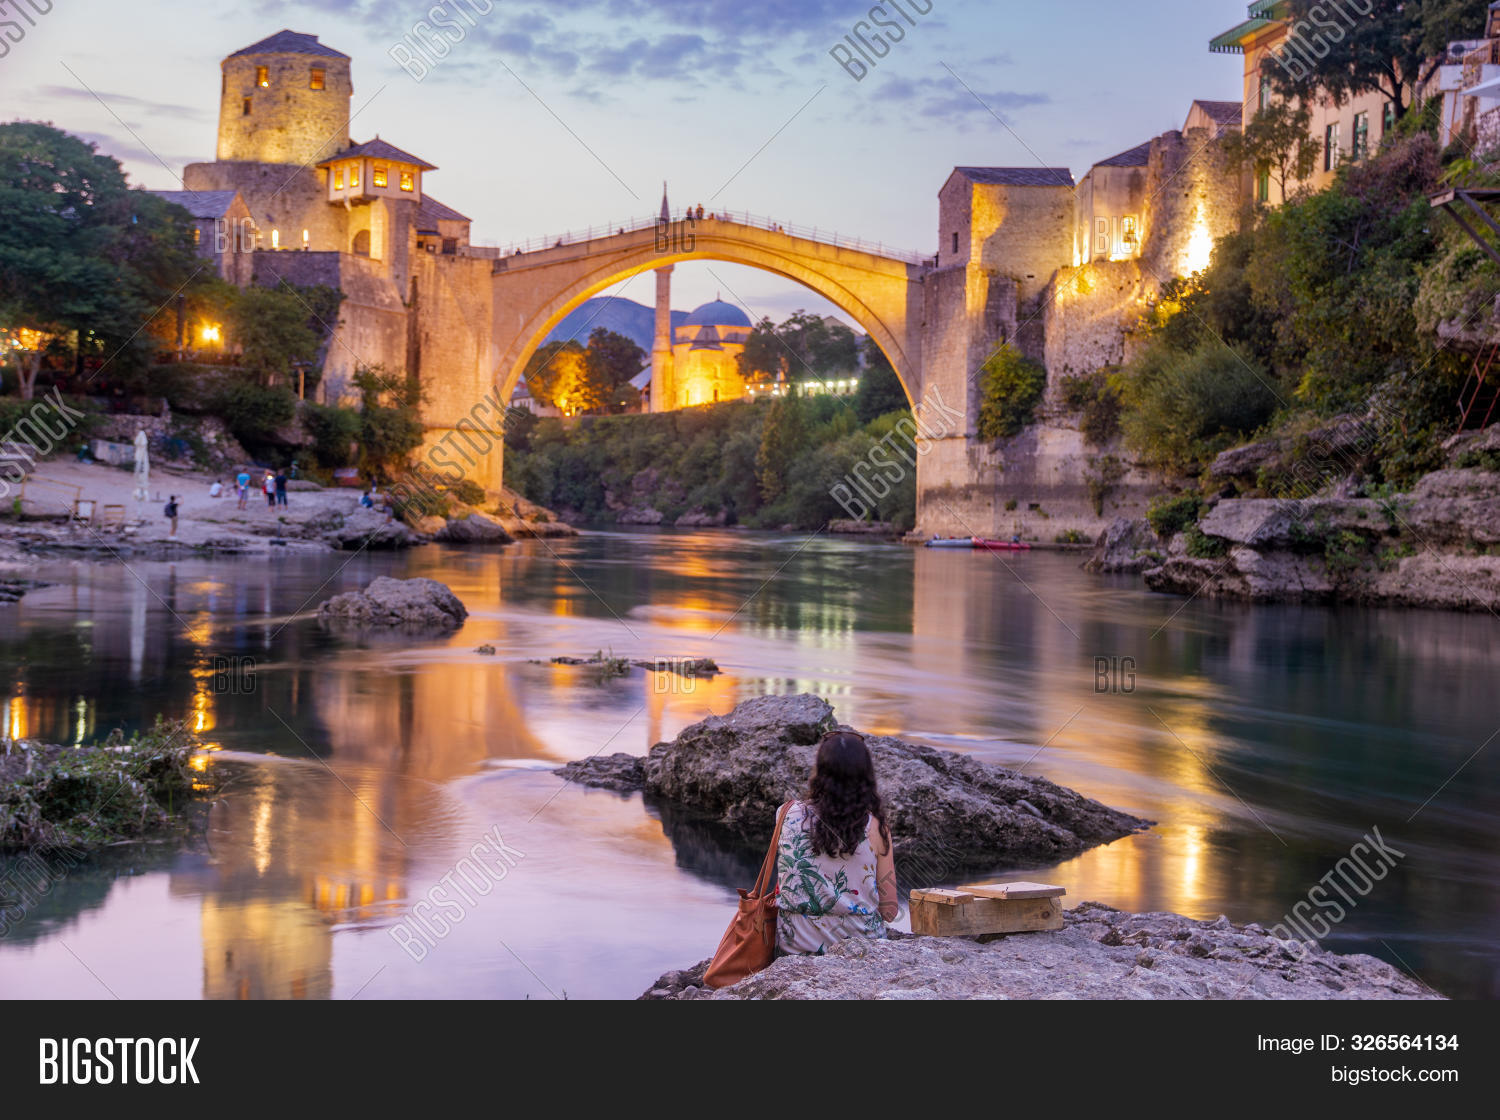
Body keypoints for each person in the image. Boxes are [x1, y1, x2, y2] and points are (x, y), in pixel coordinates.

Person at [774, 730, 898, 956]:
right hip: (862, 949)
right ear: (866, 776)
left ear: (819, 771)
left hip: (794, 947)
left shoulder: (786, 814)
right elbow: (889, 910)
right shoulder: (876, 827)